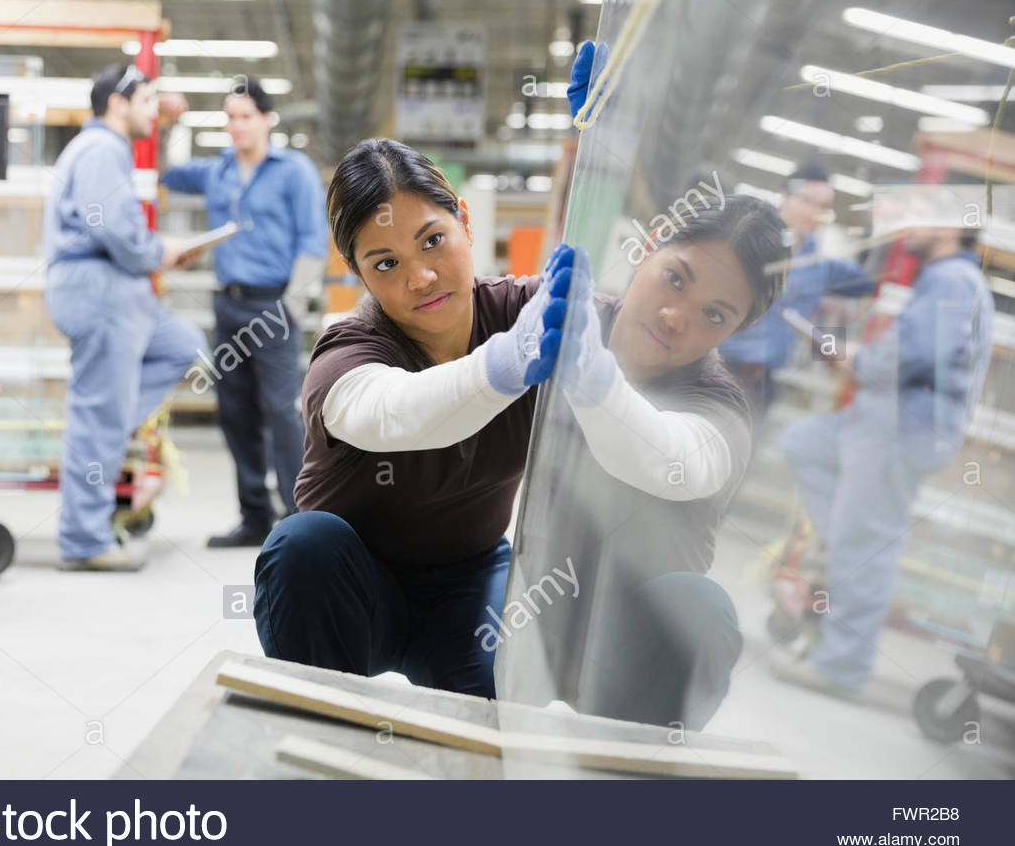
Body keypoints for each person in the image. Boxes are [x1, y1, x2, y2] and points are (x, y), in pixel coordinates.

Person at [253, 132, 789, 726]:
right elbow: (390, 411)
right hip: (349, 588)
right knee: (304, 545)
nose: (422, 276)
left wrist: (597, 127)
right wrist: (503, 366)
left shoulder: (542, 318)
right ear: (356, 271)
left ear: (464, 222)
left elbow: (670, 448)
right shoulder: (353, 348)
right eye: (386, 263)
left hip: (472, 584)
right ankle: (316, 747)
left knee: (501, 701)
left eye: (434, 240)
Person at [771, 215, 994, 698]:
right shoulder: (941, 279)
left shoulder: (954, 279)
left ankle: (841, 667)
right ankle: (843, 543)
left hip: (899, 431)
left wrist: (856, 360)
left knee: (867, 544)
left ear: (951, 226)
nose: (907, 223)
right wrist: (849, 352)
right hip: (877, 422)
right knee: (803, 444)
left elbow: (914, 355)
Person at [43, 64, 203, 571]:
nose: (153, 111)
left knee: (183, 344)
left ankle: (108, 427)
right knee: (97, 415)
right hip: (101, 288)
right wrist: (162, 250)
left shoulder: (109, 151)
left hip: (119, 291)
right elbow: (115, 228)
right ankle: (84, 541)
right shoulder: (100, 150)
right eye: (148, 101)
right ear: (118, 102)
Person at [158, 78, 329, 548]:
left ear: (267, 119)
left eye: (245, 116)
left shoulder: (294, 171)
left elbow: (313, 241)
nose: (236, 126)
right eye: (230, 118)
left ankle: (298, 519)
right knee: (235, 412)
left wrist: (292, 306)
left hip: (273, 303)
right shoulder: (217, 172)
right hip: (228, 303)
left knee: (279, 410)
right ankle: (254, 517)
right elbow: (163, 172)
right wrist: (168, 122)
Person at [718, 161, 874, 420]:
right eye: (807, 201)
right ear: (784, 196)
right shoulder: (745, 242)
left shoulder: (820, 267)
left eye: (824, 207)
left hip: (760, 384)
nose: (814, 213)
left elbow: (872, 281)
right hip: (715, 364)